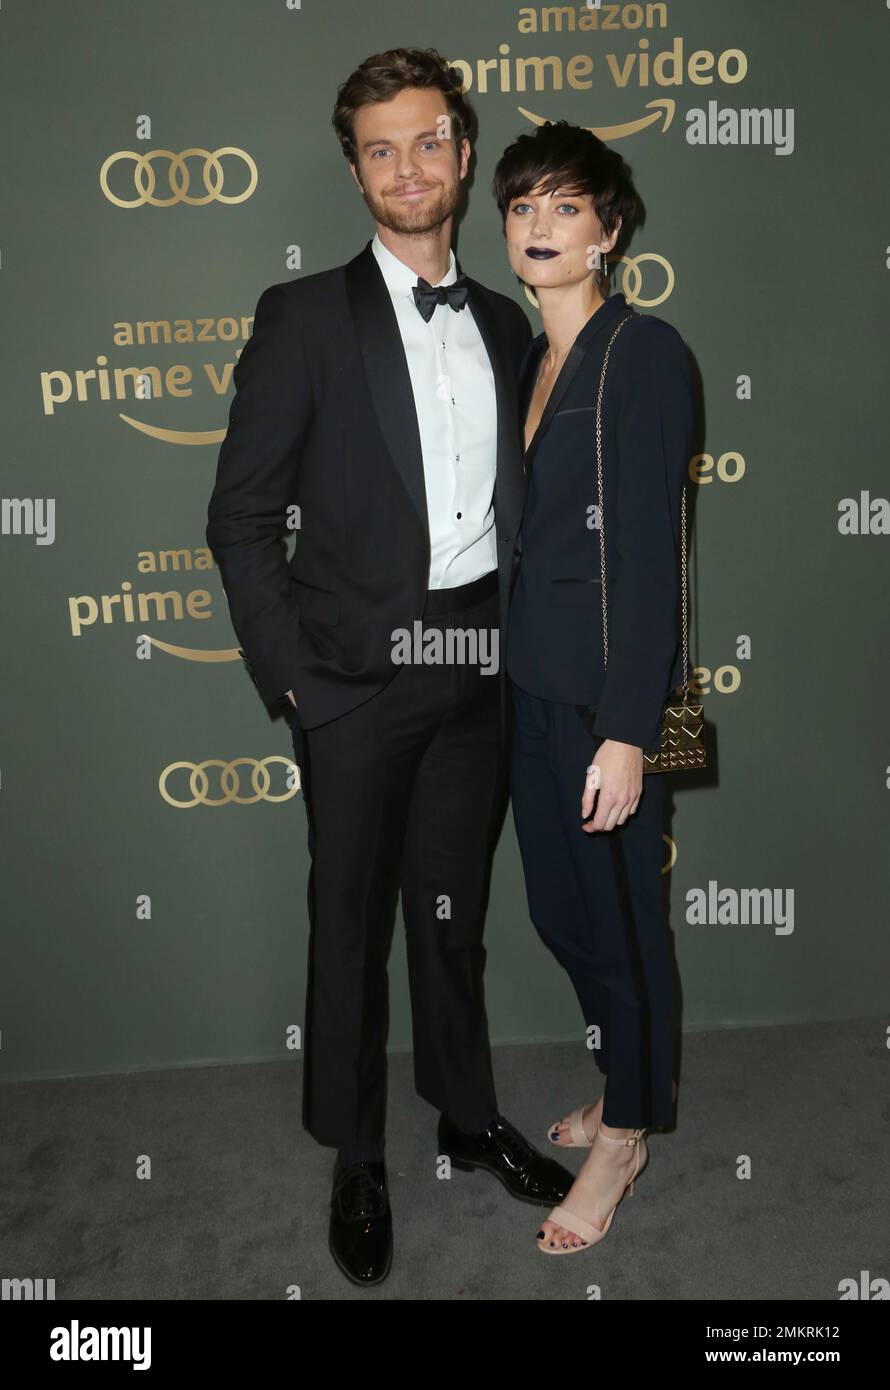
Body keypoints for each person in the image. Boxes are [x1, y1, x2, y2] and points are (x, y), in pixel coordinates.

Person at [206, 48, 572, 1288]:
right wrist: (297, 684)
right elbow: (240, 518)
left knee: (450, 916)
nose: (406, 167)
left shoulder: (510, 323)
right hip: (351, 682)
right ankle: (356, 1154)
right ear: (355, 169)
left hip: (476, 665)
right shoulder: (303, 316)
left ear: (464, 155)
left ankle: (465, 1118)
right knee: (349, 926)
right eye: (379, 148)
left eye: (427, 141)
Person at [492, 120, 693, 1254]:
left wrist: (624, 732)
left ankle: (624, 1135)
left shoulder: (643, 352)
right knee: (557, 912)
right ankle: (620, 1081)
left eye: (566, 207)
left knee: (620, 927)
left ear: (609, 232)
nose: (538, 226)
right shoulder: (532, 358)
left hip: (601, 703)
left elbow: (651, 560)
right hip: (528, 687)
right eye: (522, 206)